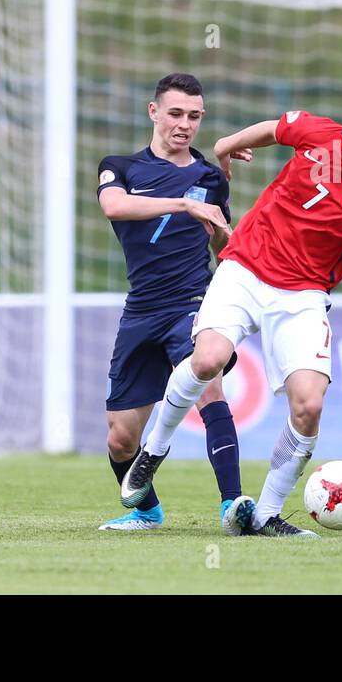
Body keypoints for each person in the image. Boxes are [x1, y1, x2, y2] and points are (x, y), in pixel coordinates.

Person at [123, 73, 342, 538]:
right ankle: (153, 451)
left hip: (302, 296)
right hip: (244, 267)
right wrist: (224, 148)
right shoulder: (316, 133)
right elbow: (269, 129)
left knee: (309, 405)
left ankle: (265, 514)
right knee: (208, 359)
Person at [95, 73, 249, 533]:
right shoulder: (119, 166)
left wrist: (226, 238)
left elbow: (224, 242)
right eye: (176, 113)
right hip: (142, 309)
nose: (184, 124)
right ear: (153, 111)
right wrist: (183, 205)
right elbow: (114, 207)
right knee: (121, 438)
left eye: (195, 116)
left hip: (194, 302)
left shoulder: (209, 177)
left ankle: (233, 505)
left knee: (209, 383)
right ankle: (146, 511)